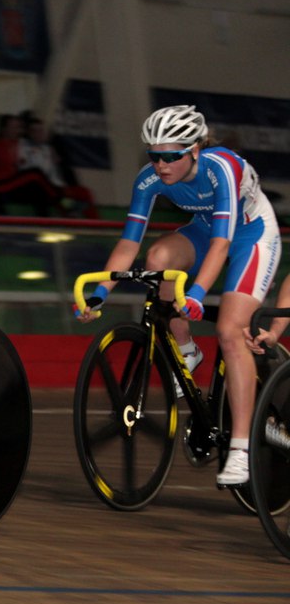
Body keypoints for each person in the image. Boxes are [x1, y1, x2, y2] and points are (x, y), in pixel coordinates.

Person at [75, 104, 281, 486]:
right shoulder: (148, 179)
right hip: (205, 228)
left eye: (171, 157)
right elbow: (129, 243)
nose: (161, 165)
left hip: (251, 235)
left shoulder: (221, 168)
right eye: (154, 156)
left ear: (195, 150)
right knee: (158, 258)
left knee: (230, 331)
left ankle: (241, 449)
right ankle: (185, 350)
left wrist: (198, 294)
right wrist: (100, 293)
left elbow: (222, 245)